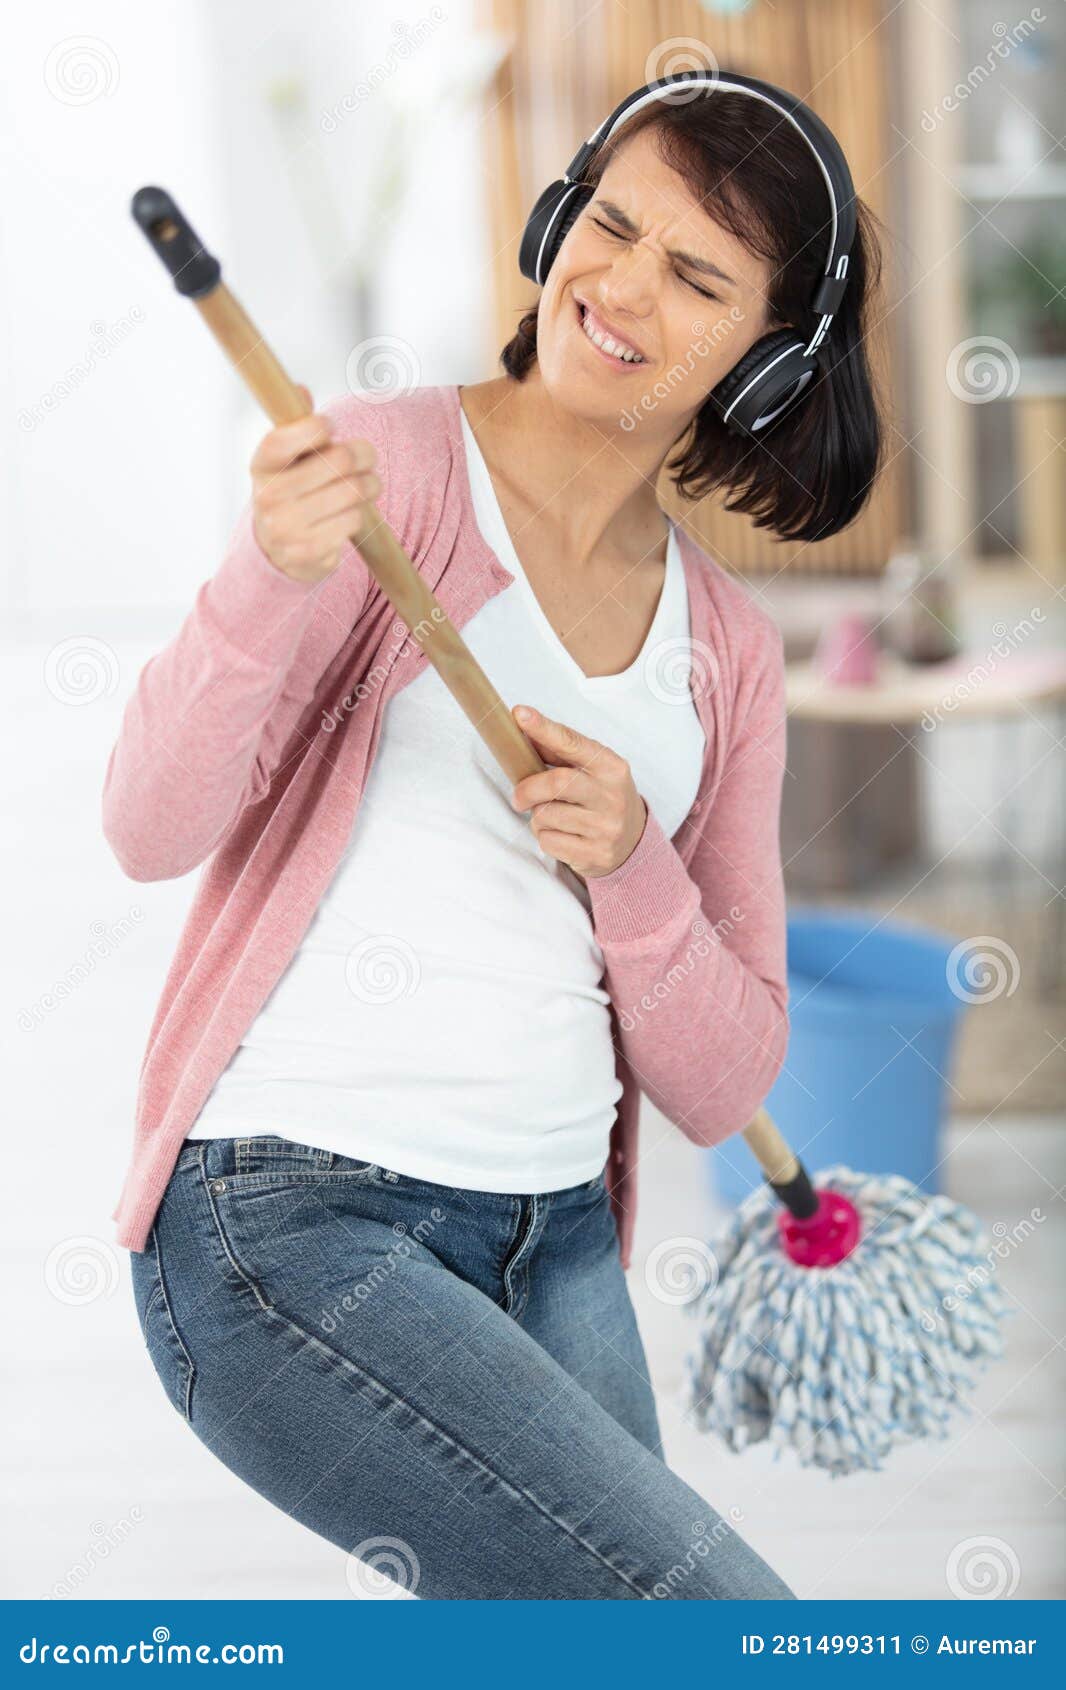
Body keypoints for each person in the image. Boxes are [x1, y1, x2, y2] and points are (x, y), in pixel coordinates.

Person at [105, 77, 884, 1599]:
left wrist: (630, 866)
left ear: (769, 366)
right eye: (610, 224)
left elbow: (724, 1080)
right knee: (722, 1626)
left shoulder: (722, 648)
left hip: (556, 1245)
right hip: (286, 1221)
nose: (619, 284)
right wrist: (271, 573)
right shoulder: (379, 474)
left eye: (697, 277)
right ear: (555, 221)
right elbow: (145, 825)